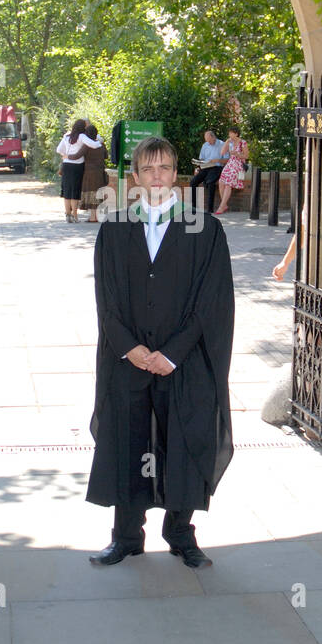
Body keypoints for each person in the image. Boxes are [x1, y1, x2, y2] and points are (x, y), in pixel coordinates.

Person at [86, 136, 235, 569]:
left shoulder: (203, 229)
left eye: (165, 168)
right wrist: (130, 348)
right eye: (148, 169)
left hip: (182, 362)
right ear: (134, 176)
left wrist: (171, 353)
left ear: (176, 175)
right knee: (127, 439)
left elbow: (212, 302)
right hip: (126, 361)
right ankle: (127, 536)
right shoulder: (114, 228)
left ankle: (180, 533)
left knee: (183, 440)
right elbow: (106, 299)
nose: (157, 176)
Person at [56, 118, 88, 222]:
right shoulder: (82, 137)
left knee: (67, 191)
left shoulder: (67, 137)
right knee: (75, 190)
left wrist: (65, 155)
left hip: (67, 165)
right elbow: (95, 142)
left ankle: (68, 215)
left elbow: (59, 149)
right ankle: (75, 215)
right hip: (78, 165)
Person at [76, 123, 109, 223]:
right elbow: (106, 156)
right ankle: (97, 216)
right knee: (98, 193)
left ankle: (93, 217)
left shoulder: (87, 145)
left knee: (91, 194)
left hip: (89, 172)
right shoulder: (101, 144)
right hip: (99, 172)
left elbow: (78, 155)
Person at [214, 126, 249, 214]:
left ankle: (221, 207)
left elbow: (246, 156)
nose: (229, 135)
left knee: (228, 184)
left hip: (238, 164)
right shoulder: (230, 142)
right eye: (229, 133)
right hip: (230, 163)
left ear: (236, 134)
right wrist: (226, 142)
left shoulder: (243, 142)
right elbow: (222, 153)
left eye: (231, 133)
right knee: (221, 182)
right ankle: (224, 204)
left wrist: (237, 154)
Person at [189, 128, 225, 212]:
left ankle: (210, 209)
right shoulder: (205, 145)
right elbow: (201, 159)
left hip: (217, 167)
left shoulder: (222, 144)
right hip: (205, 167)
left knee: (210, 182)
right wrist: (198, 167)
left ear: (214, 137)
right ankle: (193, 207)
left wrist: (218, 160)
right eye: (207, 140)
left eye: (209, 140)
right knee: (193, 182)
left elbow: (227, 160)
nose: (208, 142)